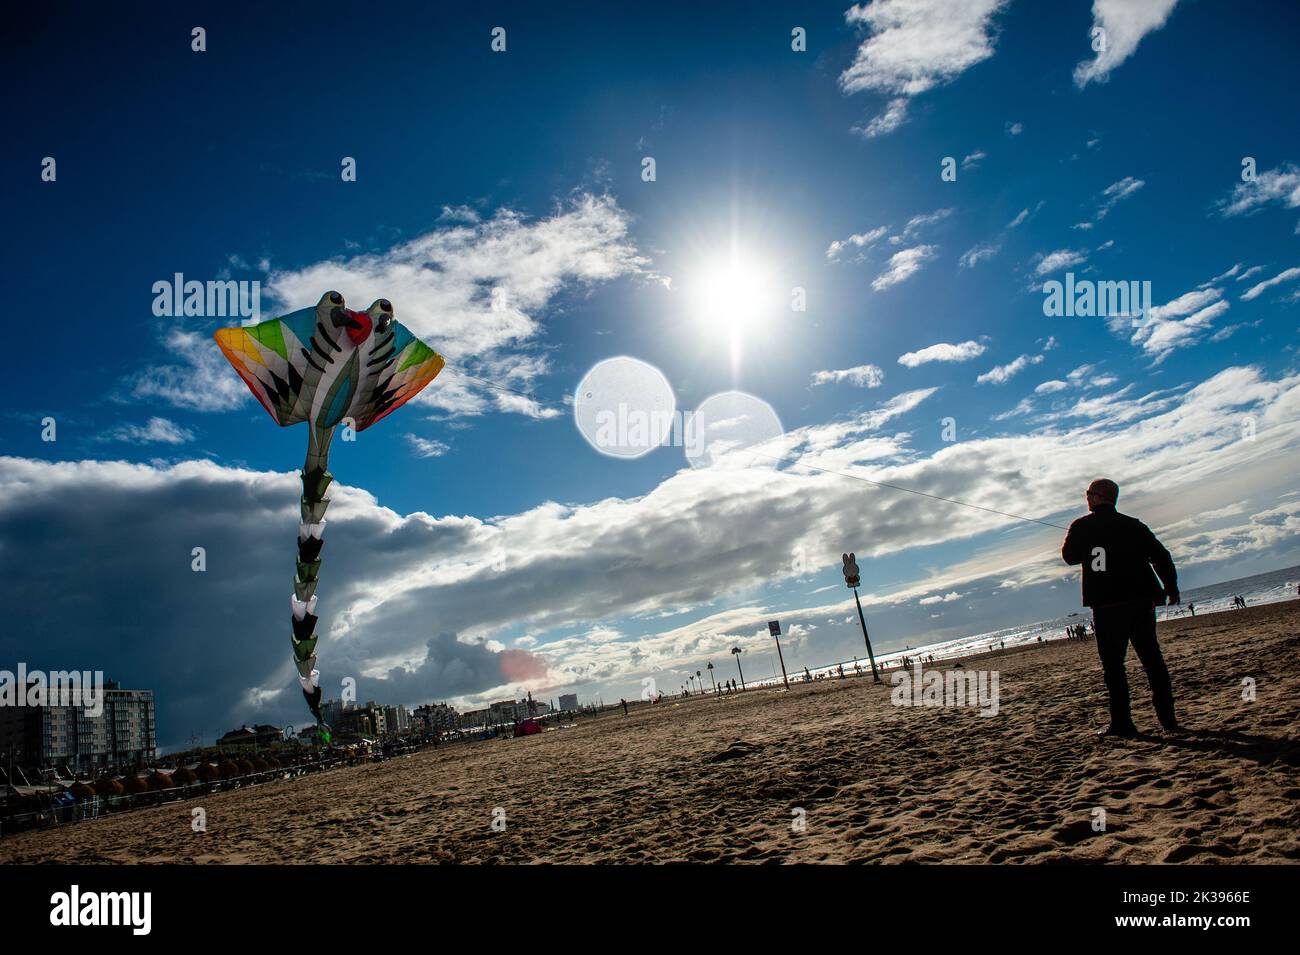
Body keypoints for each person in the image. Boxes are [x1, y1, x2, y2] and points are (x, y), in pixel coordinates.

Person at [1062, 478, 1180, 736]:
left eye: (1089, 493)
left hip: (1108, 606)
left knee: (1115, 667)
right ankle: (1167, 721)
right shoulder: (1133, 526)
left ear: (1099, 497)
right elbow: (1162, 558)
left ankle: (1124, 723)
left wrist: (1084, 541)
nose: (1086, 497)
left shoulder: (1083, 526)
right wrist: (1171, 589)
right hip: (1139, 602)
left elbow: (1069, 557)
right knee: (1152, 661)